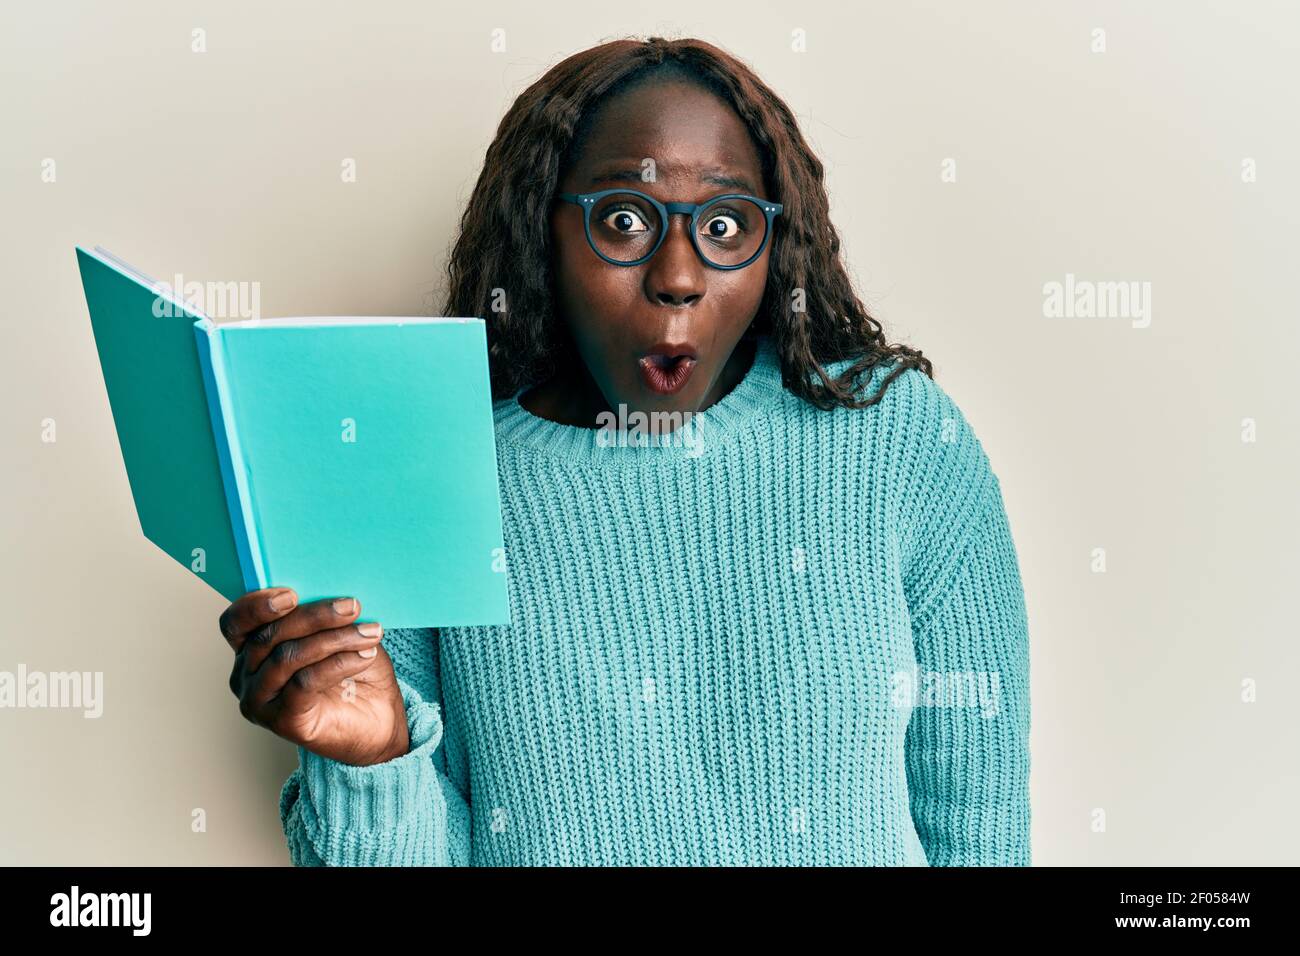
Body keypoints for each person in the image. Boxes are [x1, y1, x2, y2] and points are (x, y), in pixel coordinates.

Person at [219, 36, 1032, 866]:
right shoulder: (427, 475)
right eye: (623, 219)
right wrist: (373, 760)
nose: (677, 274)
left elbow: (980, 829)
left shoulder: (896, 440)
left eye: (724, 224)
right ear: (543, 230)